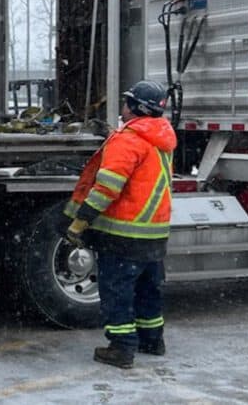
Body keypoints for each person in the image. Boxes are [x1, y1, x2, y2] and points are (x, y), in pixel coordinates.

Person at [63, 79, 176, 369]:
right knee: (148, 289)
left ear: (136, 108)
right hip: (154, 231)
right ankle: (153, 340)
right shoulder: (160, 137)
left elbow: (107, 188)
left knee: (117, 291)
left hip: (125, 233)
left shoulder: (128, 140)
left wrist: (80, 221)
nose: (122, 106)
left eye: (126, 102)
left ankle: (122, 348)